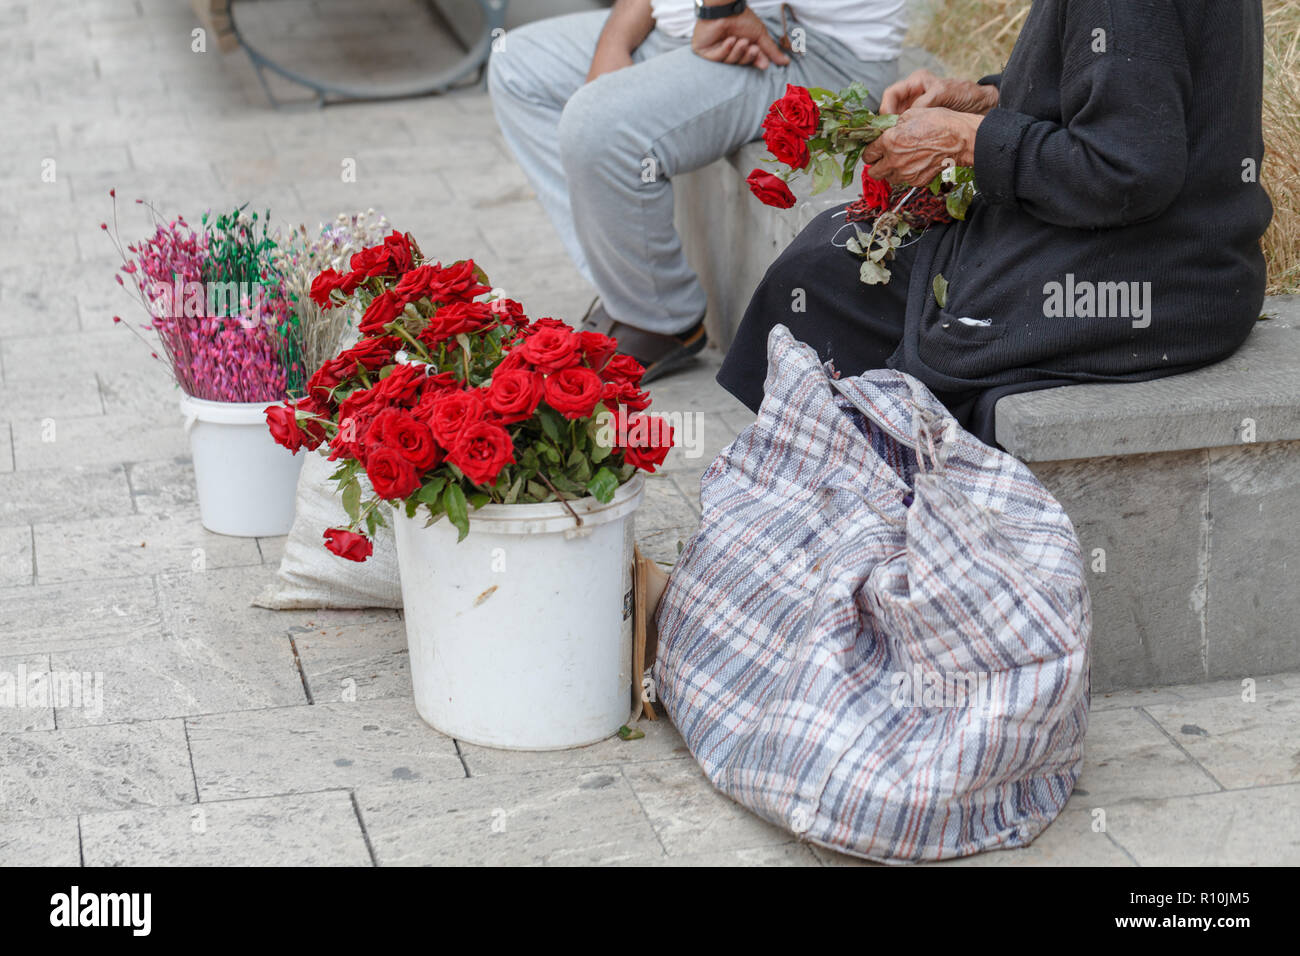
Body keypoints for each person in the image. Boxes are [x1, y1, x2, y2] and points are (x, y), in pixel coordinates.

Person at [717, 0, 1274, 446]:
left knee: (835, 288)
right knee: (832, 252)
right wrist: (984, 98)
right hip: (1182, 254)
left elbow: (1126, 171)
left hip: (1152, 276)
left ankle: (842, 514)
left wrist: (964, 140)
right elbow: (1120, 87)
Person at [488, 0, 908, 381]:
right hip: (687, 22)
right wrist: (613, 44)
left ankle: (659, 318)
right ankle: (628, 281)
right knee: (518, 64)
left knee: (598, 126)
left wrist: (719, 11)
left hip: (804, 49)